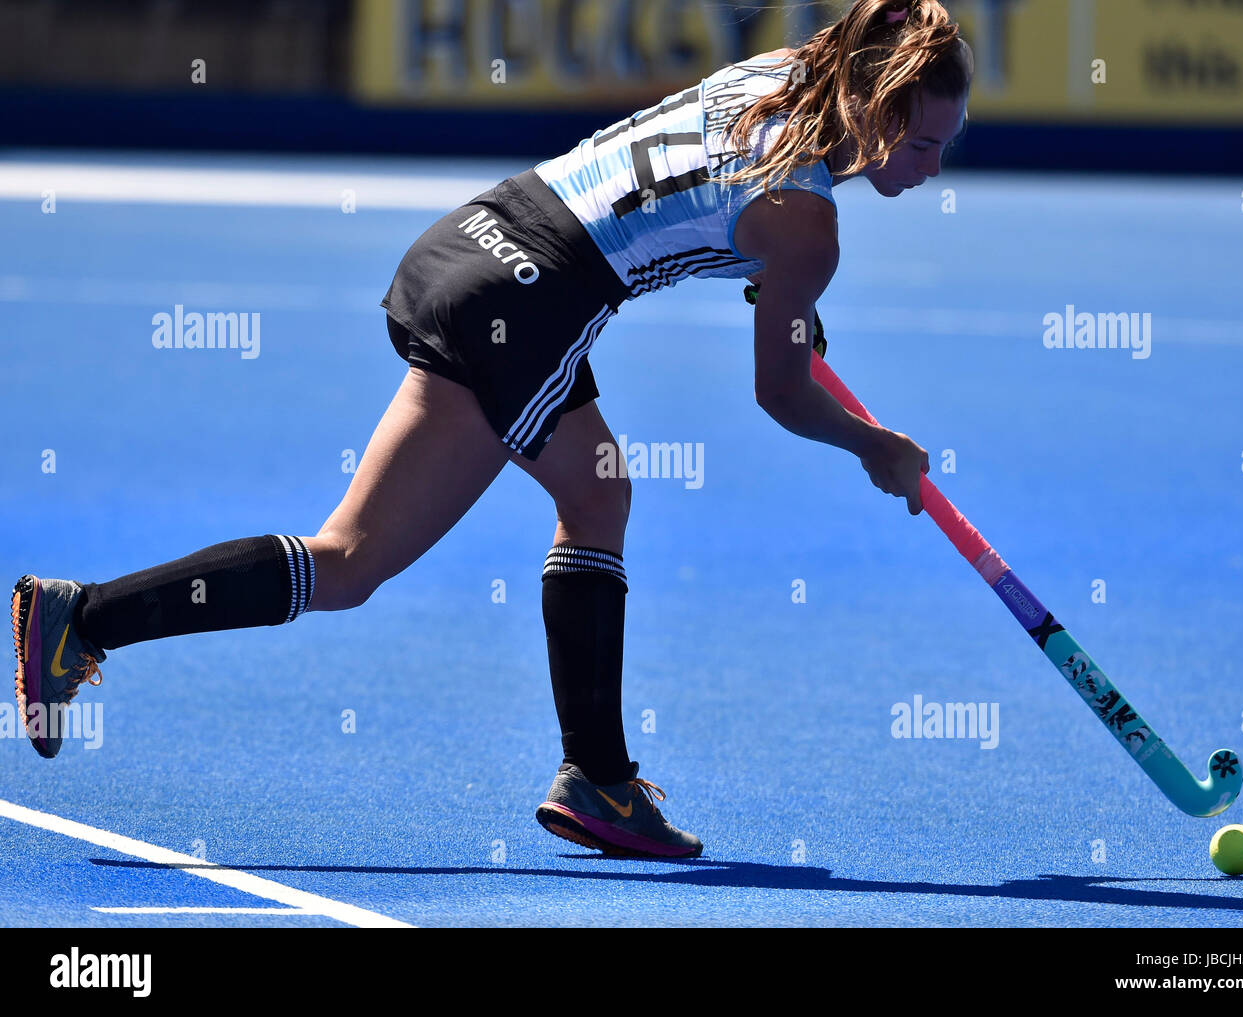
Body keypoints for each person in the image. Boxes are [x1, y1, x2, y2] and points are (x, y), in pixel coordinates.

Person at [11, 0, 971, 860]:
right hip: (538, 294)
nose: (931, 171)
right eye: (923, 146)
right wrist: (876, 446)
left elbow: (713, 204)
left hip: (474, 237)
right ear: (875, 114)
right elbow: (783, 393)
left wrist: (771, 285)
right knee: (570, 507)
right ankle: (598, 779)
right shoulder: (809, 228)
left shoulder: (783, 82)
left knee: (366, 555)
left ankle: (82, 617)